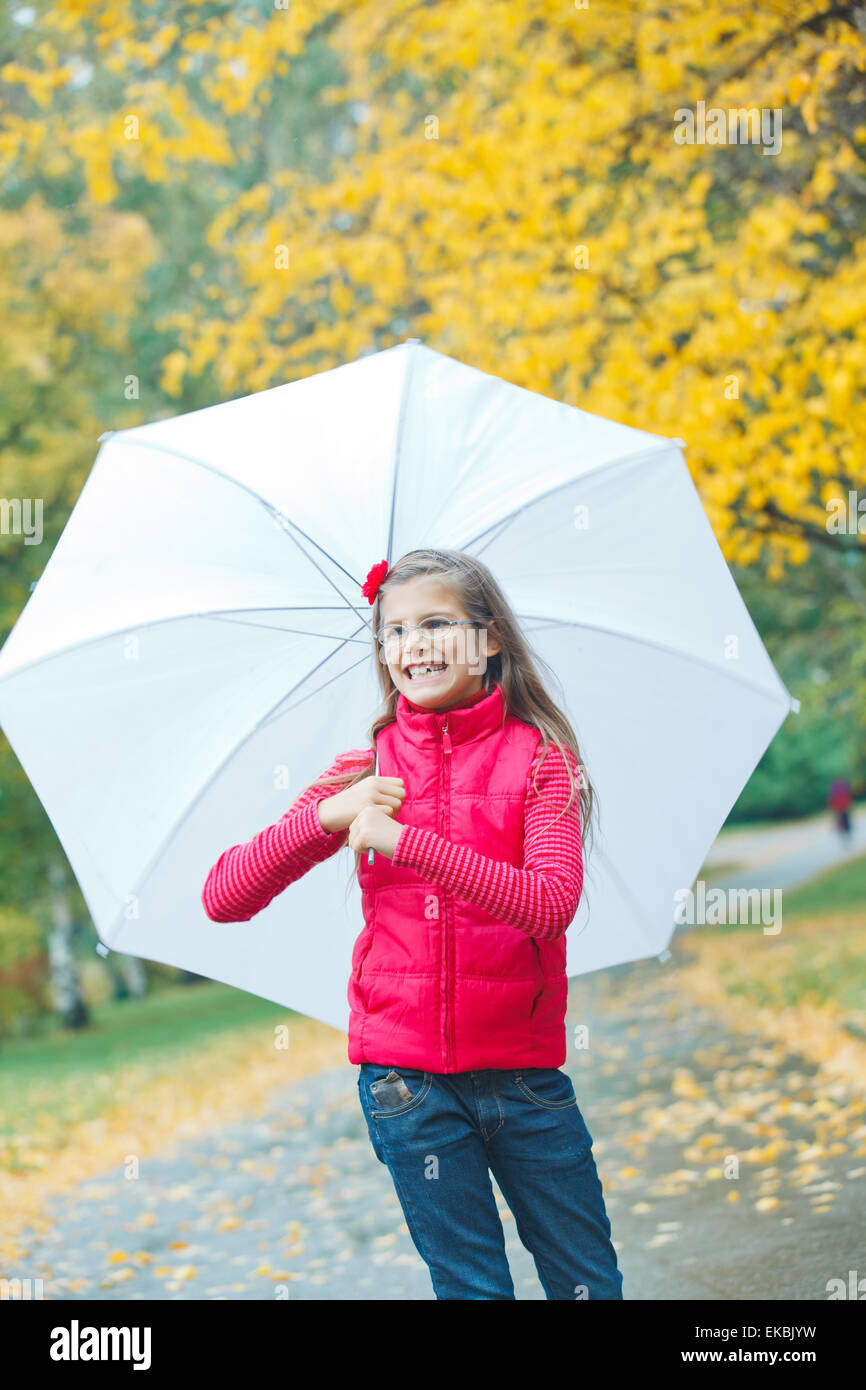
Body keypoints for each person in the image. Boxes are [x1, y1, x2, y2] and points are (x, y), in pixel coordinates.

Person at [201, 548, 622, 1301]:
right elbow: (225, 895)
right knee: (473, 1291)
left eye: (437, 624)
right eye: (395, 631)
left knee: (586, 1279)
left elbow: (550, 902)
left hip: (524, 1079)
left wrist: (407, 842)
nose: (413, 645)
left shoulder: (542, 762)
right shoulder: (362, 770)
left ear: (490, 640)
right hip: (408, 1088)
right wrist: (328, 815)